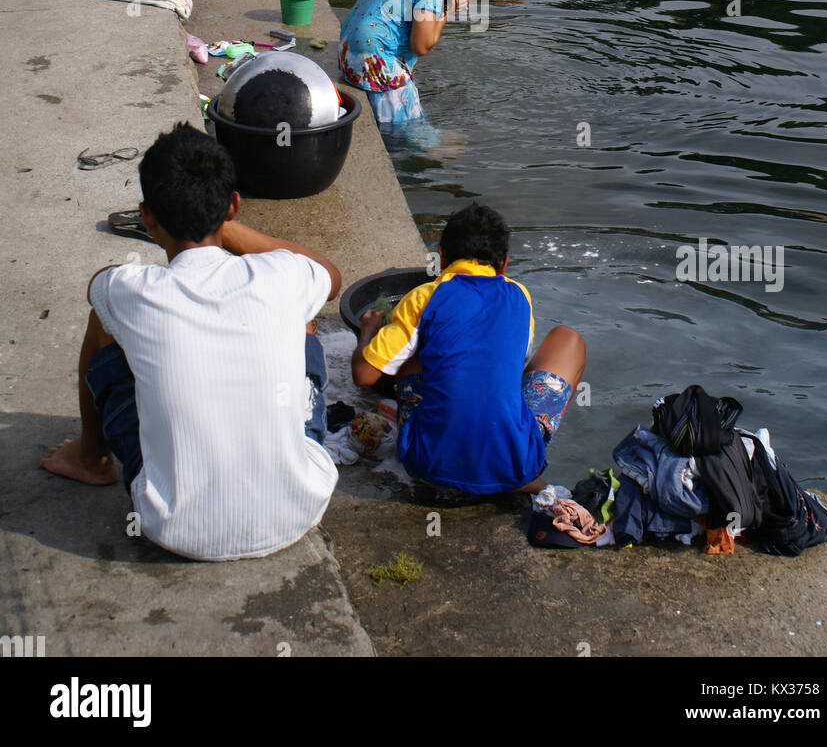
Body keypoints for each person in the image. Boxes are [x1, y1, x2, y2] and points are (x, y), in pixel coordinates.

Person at [40, 123, 341, 561]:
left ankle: (90, 458)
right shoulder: (280, 274)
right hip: (298, 510)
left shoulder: (126, 288)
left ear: (147, 217)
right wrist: (225, 226)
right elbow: (329, 277)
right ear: (235, 206)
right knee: (303, 319)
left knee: (103, 323)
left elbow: (98, 288)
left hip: (173, 527)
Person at [351, 203, 586, 494]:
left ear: (441, 256)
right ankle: (508, 466)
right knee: (568, 339)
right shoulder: (519, 296)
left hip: (427, 464)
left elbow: (364, 375)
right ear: (504, 265)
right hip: (517, 465)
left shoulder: (424, 297)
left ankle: (459, 454)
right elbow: (515, 363)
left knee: (413, 360)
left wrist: (367, 335)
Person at [338, 0, 487, 125]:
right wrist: (449, 8)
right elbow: (421, 46)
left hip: (348, 54)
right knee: (412, 128)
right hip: (371, 61)